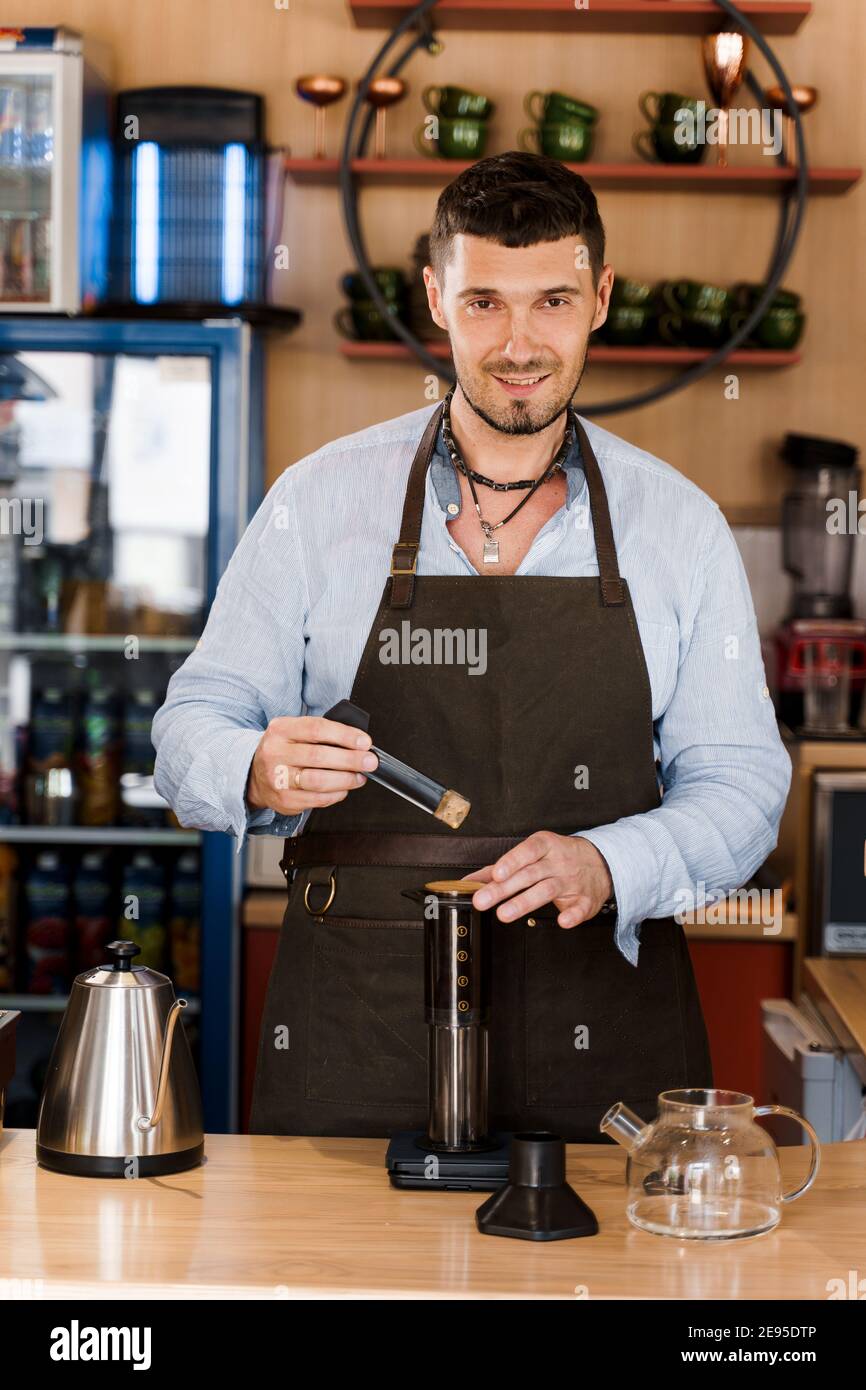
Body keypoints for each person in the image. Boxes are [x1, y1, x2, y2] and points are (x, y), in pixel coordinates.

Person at [153, 152, 791, 1141]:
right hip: (360, 1026)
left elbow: (742, 785)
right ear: (436, 299)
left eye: (552, 301)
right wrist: (252, 765)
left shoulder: (679, 526)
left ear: (599, 300)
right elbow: (191, 727)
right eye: (484, 301)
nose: (519, 343)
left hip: (602, 1027)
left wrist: (614, 861)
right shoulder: (316, 503)